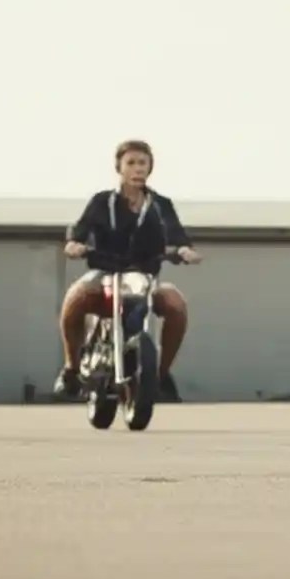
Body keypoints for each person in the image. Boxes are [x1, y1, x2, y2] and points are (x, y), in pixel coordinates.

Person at [54, 140, 202, 403]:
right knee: (75, 296)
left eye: (142, 163)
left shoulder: (160, 205)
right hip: (105, 272)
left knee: (176, 304)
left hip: (144, 276)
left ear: (150, 168)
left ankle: (161, 375)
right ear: (119, 168)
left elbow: (177, 234)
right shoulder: (102, 201)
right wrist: (75, 244)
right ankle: (70, 369)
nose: (137, 169)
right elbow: (81, 230)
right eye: (131, 163)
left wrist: (184, 250)